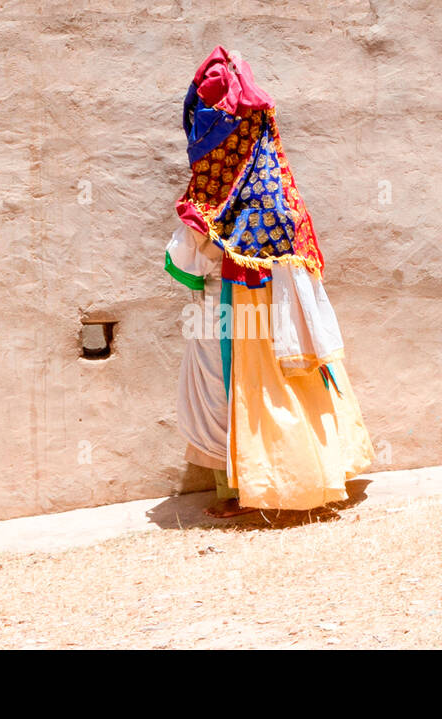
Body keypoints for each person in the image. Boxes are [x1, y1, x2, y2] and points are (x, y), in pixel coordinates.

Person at [167, 47, 375, 517]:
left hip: (243, 314)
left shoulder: (218, 201)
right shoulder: (277, 193)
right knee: (253, 387)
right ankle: (277, 481)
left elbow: (185, 263)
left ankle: (265, 487)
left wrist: (204, 240)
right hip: (250, 313)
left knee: (240, 389)